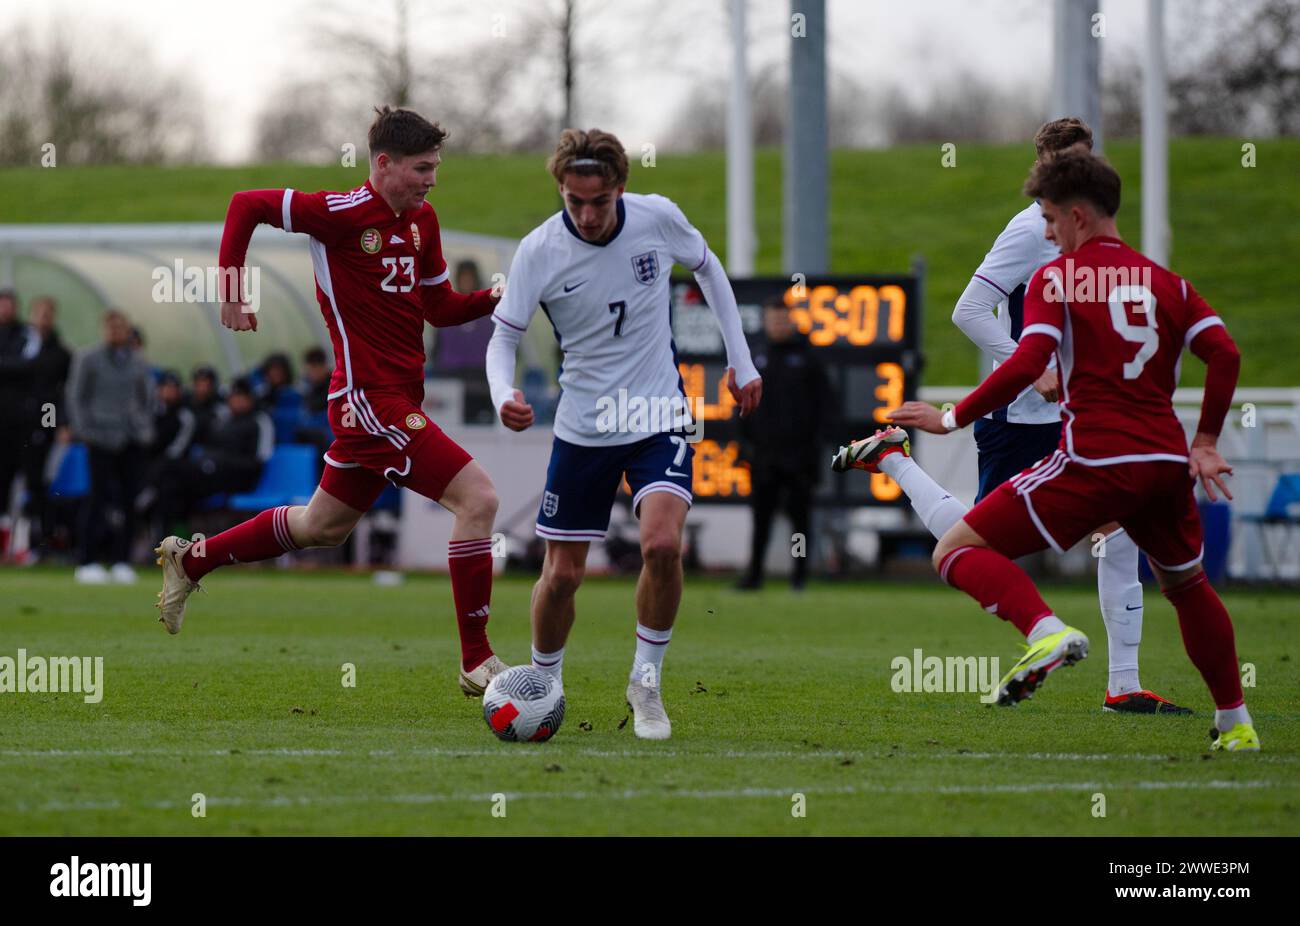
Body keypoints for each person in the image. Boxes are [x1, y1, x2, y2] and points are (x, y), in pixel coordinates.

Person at [881, 147, 1256, 752]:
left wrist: (952, 416)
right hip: (1165, 464)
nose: (1047, 232)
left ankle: (1046, 631)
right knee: (1188, 587)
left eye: (1051, 219)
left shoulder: (1058, 276)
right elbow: (1226, 353)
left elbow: (1030, 360)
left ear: (1079, 215)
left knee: (954, 551)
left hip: (1093, 462)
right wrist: (1206, 441)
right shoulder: (1167, 281)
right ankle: (1236, 723)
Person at [153, 106, 510, 697]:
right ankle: (477, 661)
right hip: (371, 399)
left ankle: (191, 561)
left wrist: (500, 296)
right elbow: (248, 203)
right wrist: (233, 288)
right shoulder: (340, 214)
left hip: (394, 398)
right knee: (479, 498)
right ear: (383, 163)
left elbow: (440, 308)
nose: (430, 180)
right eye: (421, 168)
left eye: (436, 169)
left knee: (323, 527)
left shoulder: (424, 223)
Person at [836, 118, 1188, 715]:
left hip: (1073, 414)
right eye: (1067, 166)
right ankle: (894, 460)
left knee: (1118, 530)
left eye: (1087, 163)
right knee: (973, 542)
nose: (1081, 178)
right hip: (1021, 414)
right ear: (1045, 173)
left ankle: (1123, 684)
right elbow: (969, 309)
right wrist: (1036, 368)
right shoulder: (1031, 231)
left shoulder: (1095, 236)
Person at [485, 128, 762, 738]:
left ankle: (647, 683)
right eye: (573, 200)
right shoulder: (538, 251)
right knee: (562, 576)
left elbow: (710, 270)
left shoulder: (657, 220)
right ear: (561, 189)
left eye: (598, 202)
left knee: (662, 546)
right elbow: (503, 337)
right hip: (584, 425)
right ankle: (543, 682)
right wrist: (503, 393)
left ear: (620, 190)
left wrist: (741, 361)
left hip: (657, 415)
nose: (585, 214)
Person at [736, 298, 829, 591]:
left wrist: (815, 446)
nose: (778, 325)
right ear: (766, 322)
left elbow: (825, 406)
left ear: (791, 321)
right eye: (773, 319)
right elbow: (740, 405)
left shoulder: (808, 360)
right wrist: (745, 444)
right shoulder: (756, 357)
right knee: (761, 519)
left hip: (799, 456)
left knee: (799, 521)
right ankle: (755, 575)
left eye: (782, 319)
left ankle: (799, 577)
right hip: (764, 455)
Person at [67, 309, 155, 583]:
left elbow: (148, 398)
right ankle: (88, 559)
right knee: (97, 499)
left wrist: (143, 428)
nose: (116, 332)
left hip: (130, 438)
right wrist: (86, 431)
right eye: (111, 327)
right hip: (100, 437)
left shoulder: (138, 362)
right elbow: (76, 397)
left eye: (121, 327)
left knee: (129, 501)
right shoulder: (88, 358)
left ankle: (122, 560)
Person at [155, 377, 272, 534]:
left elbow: (259, 460)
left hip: (240, 478)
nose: (237, 401)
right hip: (212, 473)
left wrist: (221, 462)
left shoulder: (260, 421)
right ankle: (171, 538)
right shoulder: (223, 420)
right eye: (234, 397)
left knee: (172, 470)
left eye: (242, 397)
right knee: (171, 483)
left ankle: (168, 532)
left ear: (250, 399)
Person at [20, 297, 73, 555]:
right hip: (15, 423)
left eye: (48, 313)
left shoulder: (60, 354)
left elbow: (62, 393)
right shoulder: (18, 345)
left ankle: (39, 542)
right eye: (39, 313)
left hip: (43, 422)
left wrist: (60, 423)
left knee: (41, 482)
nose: (43, 318)